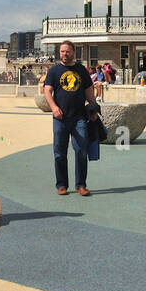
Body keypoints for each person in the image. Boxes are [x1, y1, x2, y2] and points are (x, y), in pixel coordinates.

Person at [43, 40, 101, 196]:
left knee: (81, 150)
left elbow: (89, 92)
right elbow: (47, 91)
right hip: (60, 118)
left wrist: (94, 109)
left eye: (67, 51)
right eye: (62, 51)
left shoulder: (81, 70)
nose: (64, 54)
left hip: (79, 118)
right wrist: (54, 108)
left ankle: (81, 185)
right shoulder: (54, 71)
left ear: (74, 52)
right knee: (59, 152)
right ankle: (61, 185)